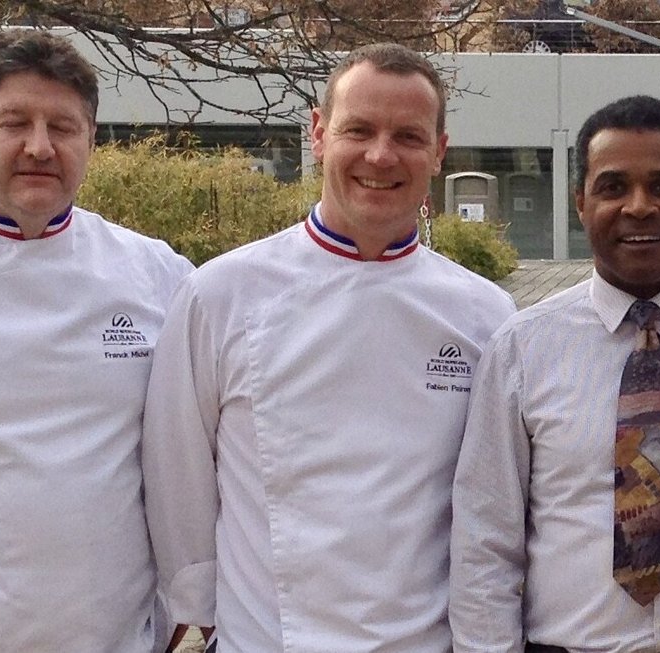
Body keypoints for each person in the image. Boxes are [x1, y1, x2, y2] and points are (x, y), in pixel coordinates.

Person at [141, 43, 515, 652]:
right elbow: (175, 472)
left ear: (439, 152)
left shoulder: (486, 314)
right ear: (318, 134)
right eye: (358, 130)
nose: (381, 156)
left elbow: (494, 505)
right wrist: (195, 606)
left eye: (408, 136)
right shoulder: (221, 293)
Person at [448, 95, 660, 653]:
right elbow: (485, 538)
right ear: (581, 203)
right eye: (613, 187)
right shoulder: (521, 349)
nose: (639, 207)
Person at [0, 29, 192, 653]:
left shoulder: (158, 275)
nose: (40, 147)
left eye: (63, 126)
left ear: (91, 139)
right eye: (13, 123)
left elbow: (195, 463)